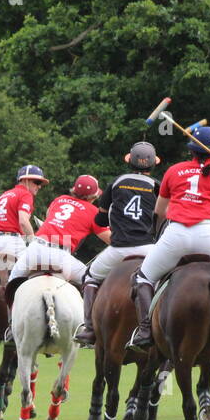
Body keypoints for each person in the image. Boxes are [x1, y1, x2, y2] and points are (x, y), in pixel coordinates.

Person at [127, 126, 210, 353]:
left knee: (142, 278)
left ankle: (145, 330)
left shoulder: (174, 171)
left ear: (191, 151)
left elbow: (161, 210)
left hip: (176, 235)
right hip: (209, 236)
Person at [73, 141, 160, 347]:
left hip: (119, 248)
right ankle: (157, 326)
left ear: (129, 160)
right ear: (153, 163)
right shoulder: (158, 185)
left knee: (90, 277)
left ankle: (90, 329)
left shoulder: (117, 182)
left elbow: (101, 221)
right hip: (149, 249)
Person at [5, 174, 109, 297]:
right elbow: (111, 239)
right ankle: (90, 316)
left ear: (74, 190)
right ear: (94, 196)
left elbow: (49, 216)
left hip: (35, 249)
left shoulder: (59, 199)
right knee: (93, 282)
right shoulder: (93, 211)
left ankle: (9, 315)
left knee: (10, 284)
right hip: (60, 257)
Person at [0, 165, 47, 307]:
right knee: (30, 275)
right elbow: (23, 221)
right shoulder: (26, 195)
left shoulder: (5, 195)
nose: (39, 187)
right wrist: (33, 241)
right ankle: (22, 313)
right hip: (12, 242)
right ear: (25, 180)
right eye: (37, 182)